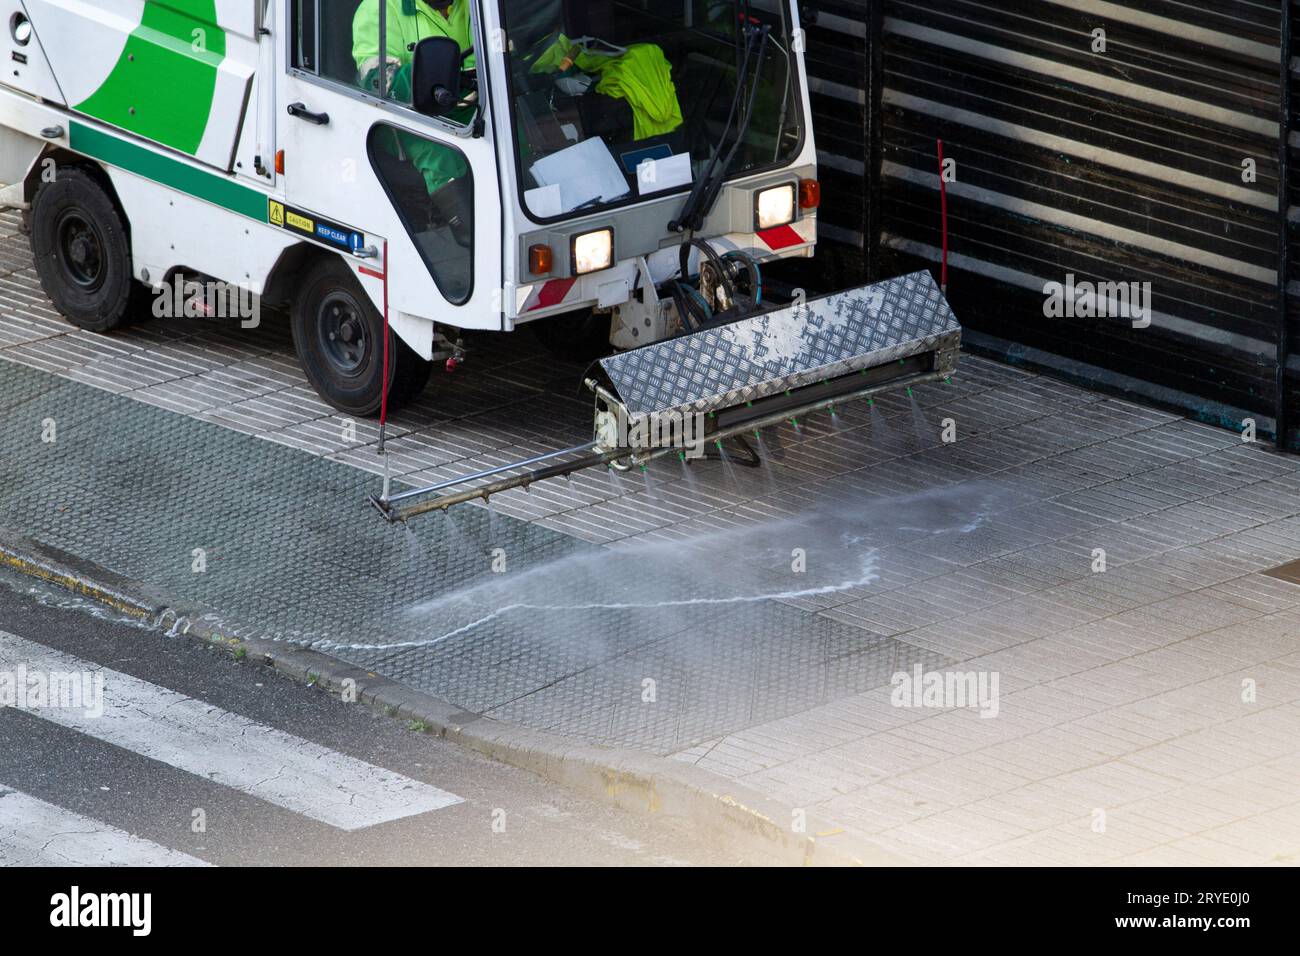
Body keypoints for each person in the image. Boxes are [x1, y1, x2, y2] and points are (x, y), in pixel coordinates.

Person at [351, 0, 475, 195]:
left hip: (477, 105)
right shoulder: (378, 8)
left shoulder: (477, 5)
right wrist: (437, 77)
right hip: (411, 117)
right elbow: (377, 81)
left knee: (525, 133)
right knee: (445, 157)